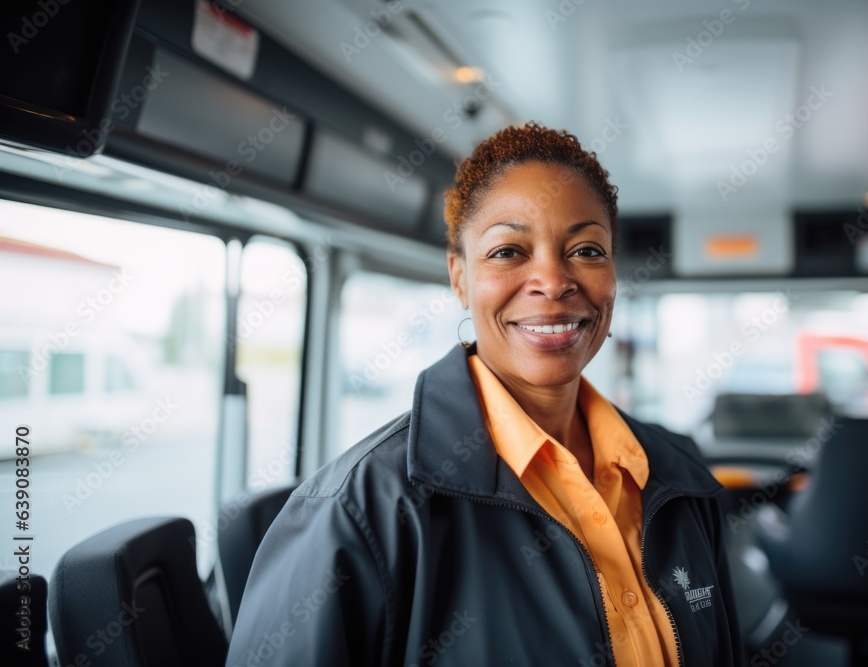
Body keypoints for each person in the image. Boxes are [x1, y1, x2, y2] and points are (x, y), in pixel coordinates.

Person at [226, 122, 744, 666]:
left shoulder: (680, 475)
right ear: (459, 278)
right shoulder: (361, 512)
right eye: (507, 252)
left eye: (587, 249)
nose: (552, 280)